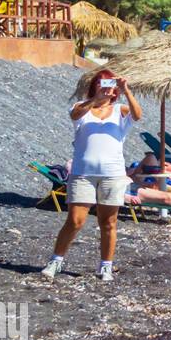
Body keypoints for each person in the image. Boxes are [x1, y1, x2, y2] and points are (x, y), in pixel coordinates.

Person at [43, 70, 142, 281]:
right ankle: (56, 260)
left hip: (112, 174)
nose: (105, 87)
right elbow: (74, 115)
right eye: (101, 83)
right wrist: (95, 100)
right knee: (75, 221)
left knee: (108, 222)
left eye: (109, 84)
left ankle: (105, 266)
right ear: (95, 85)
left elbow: (137, 115)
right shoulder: (82, 108)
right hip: (83, 173)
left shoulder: (119, 110)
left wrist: (126, 90)